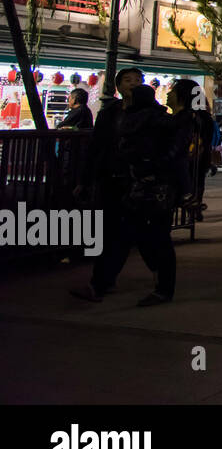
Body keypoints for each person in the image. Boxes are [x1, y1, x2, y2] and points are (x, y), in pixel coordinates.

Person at [71, 82, 185, 306]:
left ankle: (157, 287)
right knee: (130, 238)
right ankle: (102, 285)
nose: (168, 95)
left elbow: (164, 153)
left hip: (147, 189)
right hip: (143, 188)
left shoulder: (146, 120)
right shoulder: (159, 119)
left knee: (148, 239)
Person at [167, 79, 214, 221]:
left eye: (173, 91)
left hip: (189, 159)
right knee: (197, 183)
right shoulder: (204, 116)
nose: (169, 93)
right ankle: (193, 209)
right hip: (199, 159)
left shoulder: (188, 117)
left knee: (190, 183)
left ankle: (190, 208)